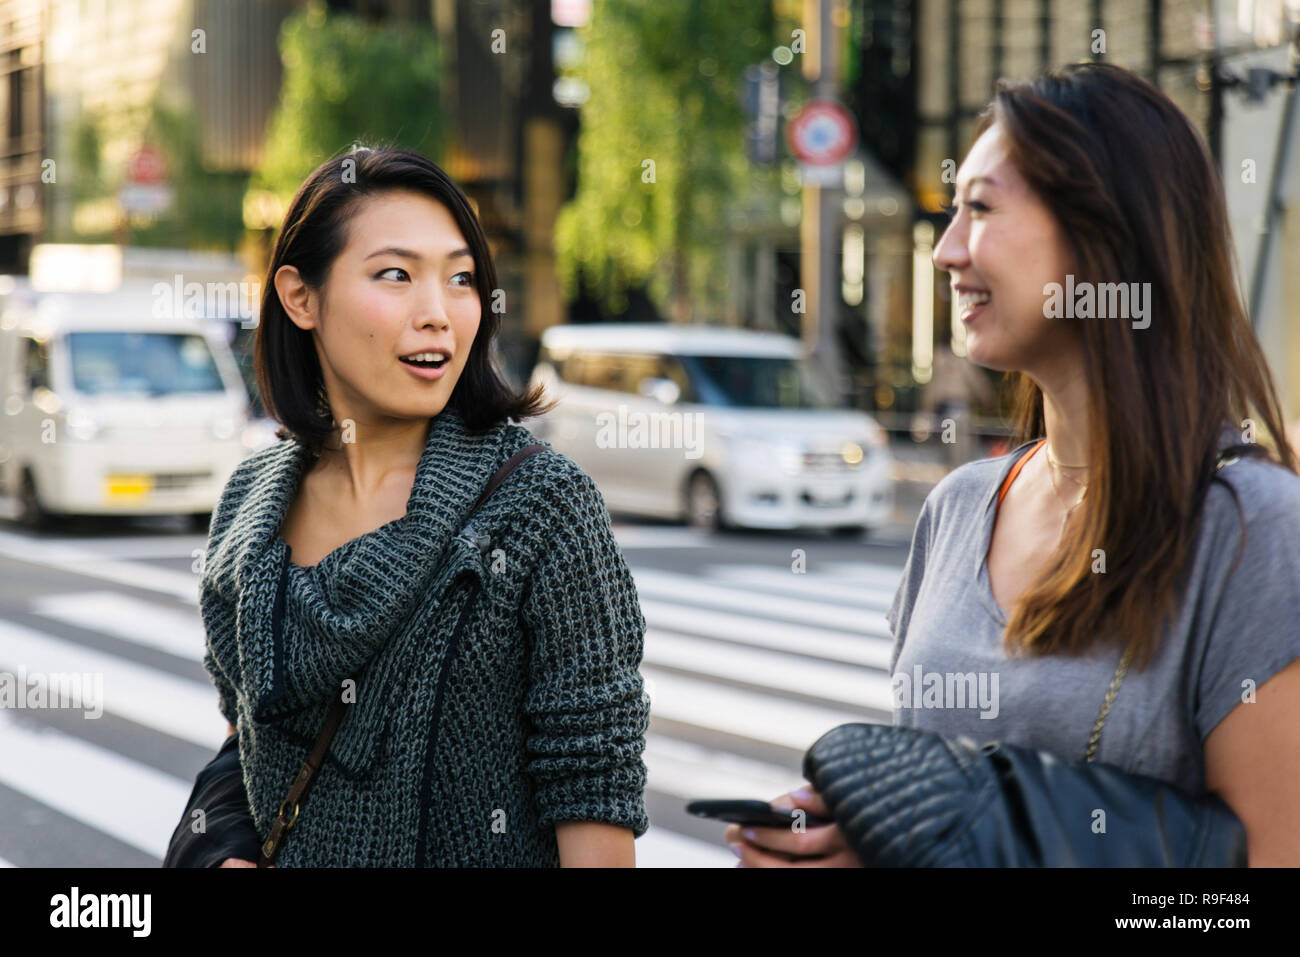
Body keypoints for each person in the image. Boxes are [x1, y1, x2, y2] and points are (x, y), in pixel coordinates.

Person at [727, 62, 1300, 867]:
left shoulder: (1253, 529)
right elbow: (949, 818)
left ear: (1106, 232)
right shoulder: (959, 508)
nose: (947, 251)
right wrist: (865, 838)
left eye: (982, 209)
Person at [193, 145, 650, 866]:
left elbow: (594, 802)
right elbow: (245, 751)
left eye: (461, 278)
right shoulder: (250, 509)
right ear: (299, 296)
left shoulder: (544, 510)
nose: (438, 314)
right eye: (396, 275)